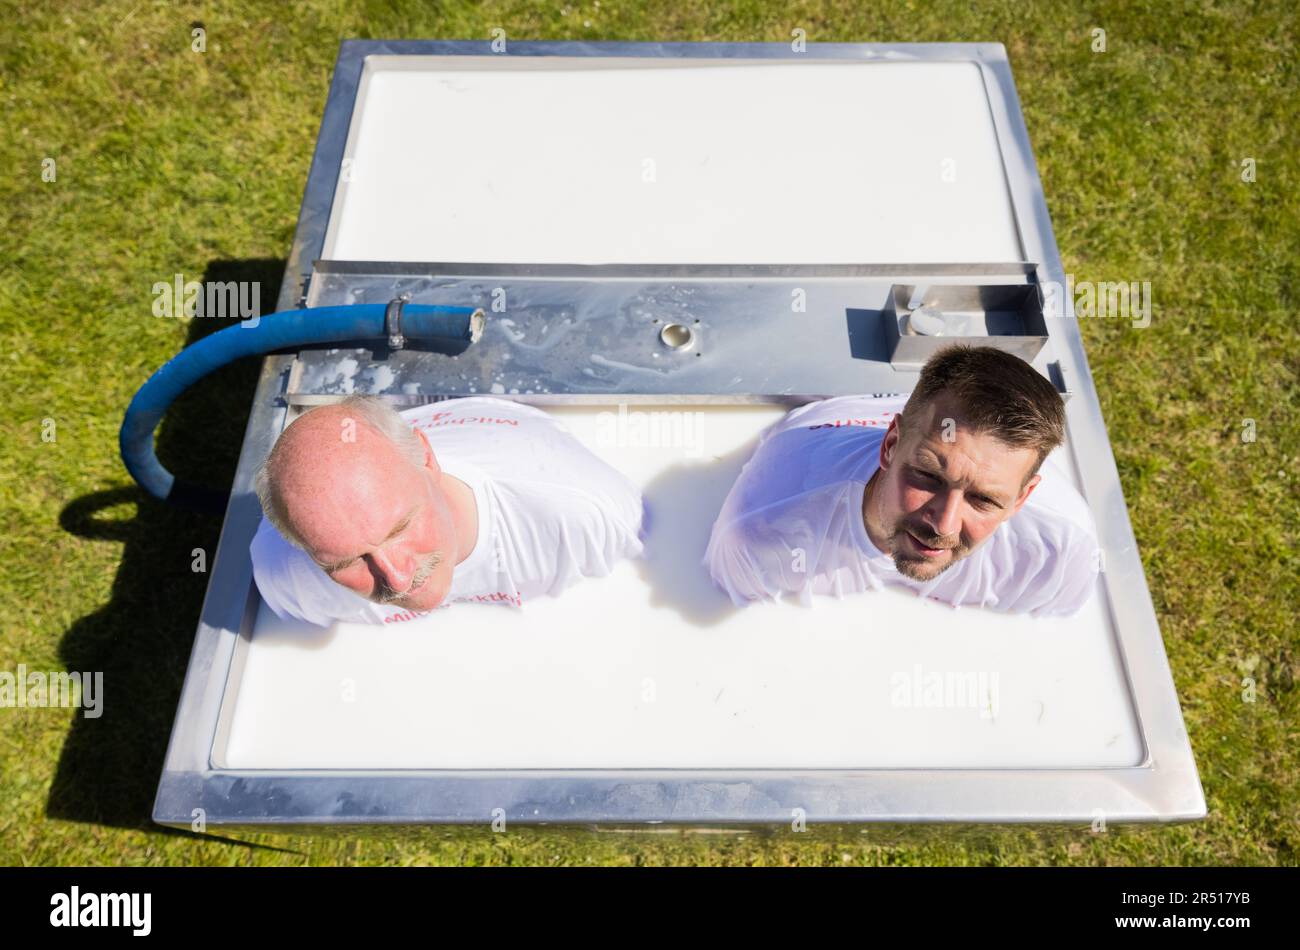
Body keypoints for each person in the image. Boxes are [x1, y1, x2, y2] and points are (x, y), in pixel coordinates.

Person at [704, 345, 1100, 616]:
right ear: (890, 445)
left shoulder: (1060, 550)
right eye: (929, 477)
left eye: (983, 500)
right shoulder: (765, 529)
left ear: (1022, 498)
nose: (943, 526)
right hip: (824, 415)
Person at [249, 395, 645, 627]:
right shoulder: (288, 579)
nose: (398, 579)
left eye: (400, 527)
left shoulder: (581, 513)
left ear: (426, 456)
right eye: (347, 562)